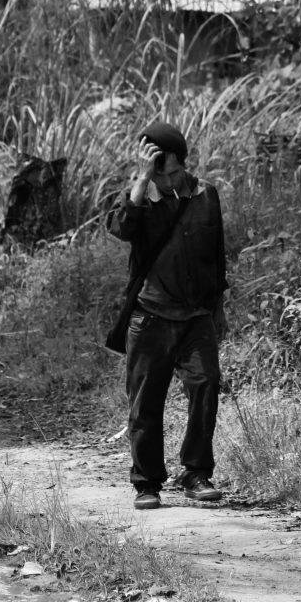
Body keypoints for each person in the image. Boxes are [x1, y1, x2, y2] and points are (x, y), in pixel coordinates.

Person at [106, 120, 228, 510]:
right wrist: (143, 179)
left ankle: (195, 472)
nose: (169, 178)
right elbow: (121, 228)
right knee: (145, 403)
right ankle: (147, 483)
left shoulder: (206, 194)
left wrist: (218, 311)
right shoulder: (139, 196)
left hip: (196, 316)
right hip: (150, 316)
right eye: (161, 170)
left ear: (184, 163)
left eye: (174, 169)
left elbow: (217, 257)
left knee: (206, 384)